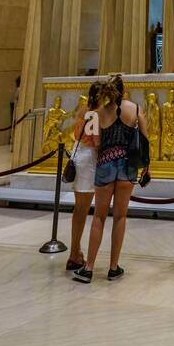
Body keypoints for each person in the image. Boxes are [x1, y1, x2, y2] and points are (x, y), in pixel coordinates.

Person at [73, 74, 146, 284]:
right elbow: (145, 140)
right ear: (123, 90)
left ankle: (88, 268)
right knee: (120, 217)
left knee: (99, 217)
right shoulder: (136, 109)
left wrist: (104, 157)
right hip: (127, 167)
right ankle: (113, 267)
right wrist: (146, 169)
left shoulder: (96, 114)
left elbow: (94, 143)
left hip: (105, 163)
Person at [65, 82, 100, 273]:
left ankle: (75, 251)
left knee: (78, 209)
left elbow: (75, 134)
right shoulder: (94, 114)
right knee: (83, 209)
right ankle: (74, 254)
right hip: (88, 160)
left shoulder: (82, 110)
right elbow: (96, 141)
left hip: (77, 155)